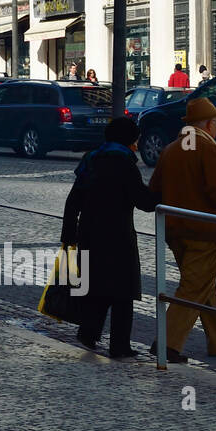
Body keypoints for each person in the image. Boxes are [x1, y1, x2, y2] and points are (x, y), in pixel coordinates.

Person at [148, 97, 216, 363]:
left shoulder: (171, 149)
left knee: (203, 284)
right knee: (193, 287)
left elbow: (154, 189)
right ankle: (166, 343)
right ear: (209, 124)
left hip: (175, 231)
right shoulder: (207, 148)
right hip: (206, 232)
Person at [61, 116, 160, 358]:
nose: (137, 144)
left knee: (95, 286)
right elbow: (144, 201)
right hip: (118, 236)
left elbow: (74, 200)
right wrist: (162, 193)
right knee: (122, 292)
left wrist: (68, 235)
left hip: (89, 233)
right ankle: (119, 345)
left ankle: (88, 332)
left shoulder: (92, 159)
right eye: (135, 140)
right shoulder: (125, 163)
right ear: (128, 140)